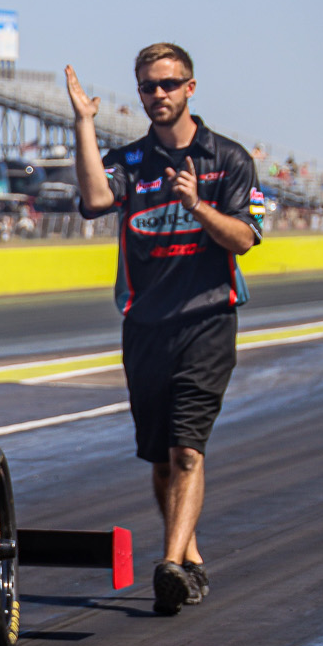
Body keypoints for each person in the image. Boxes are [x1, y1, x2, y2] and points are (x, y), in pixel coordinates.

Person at [67, 44, 263, 617]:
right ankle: (190, 560)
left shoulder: (227, 159)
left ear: (190, 88)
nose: (158, 95)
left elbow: (245, 238)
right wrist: (83, 123)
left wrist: (198, 207)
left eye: (168, 85)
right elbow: (97, 198)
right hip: (145, 325)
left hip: (207, 319)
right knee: (159, 457)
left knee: (186, 450)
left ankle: (171, 566)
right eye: (148, 87)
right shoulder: (131, 160)